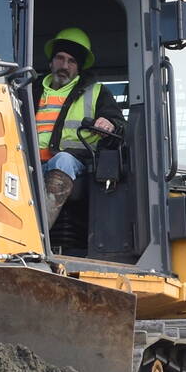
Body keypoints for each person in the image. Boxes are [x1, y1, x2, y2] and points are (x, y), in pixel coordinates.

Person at [32, 27, 124, 227]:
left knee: (63, 160)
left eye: (71, 61)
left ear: (79, 67)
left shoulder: (97, 92)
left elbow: (120, 126)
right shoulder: (30, 90)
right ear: (50, 61)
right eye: (60, 58)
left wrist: (110, 124)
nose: (64, 65)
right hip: (28, 162)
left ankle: (38, 231)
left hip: (75, 164)